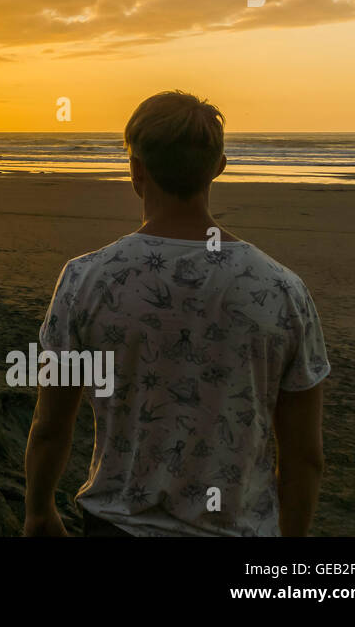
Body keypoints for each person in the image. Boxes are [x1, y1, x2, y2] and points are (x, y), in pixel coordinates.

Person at [23, 90, 329, 536]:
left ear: (137, 168)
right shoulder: (282, 289)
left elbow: (50, 424)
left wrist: (38, 509)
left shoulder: (86, 279)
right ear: (218, 167)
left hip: (116, 524)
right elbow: (304, 456)